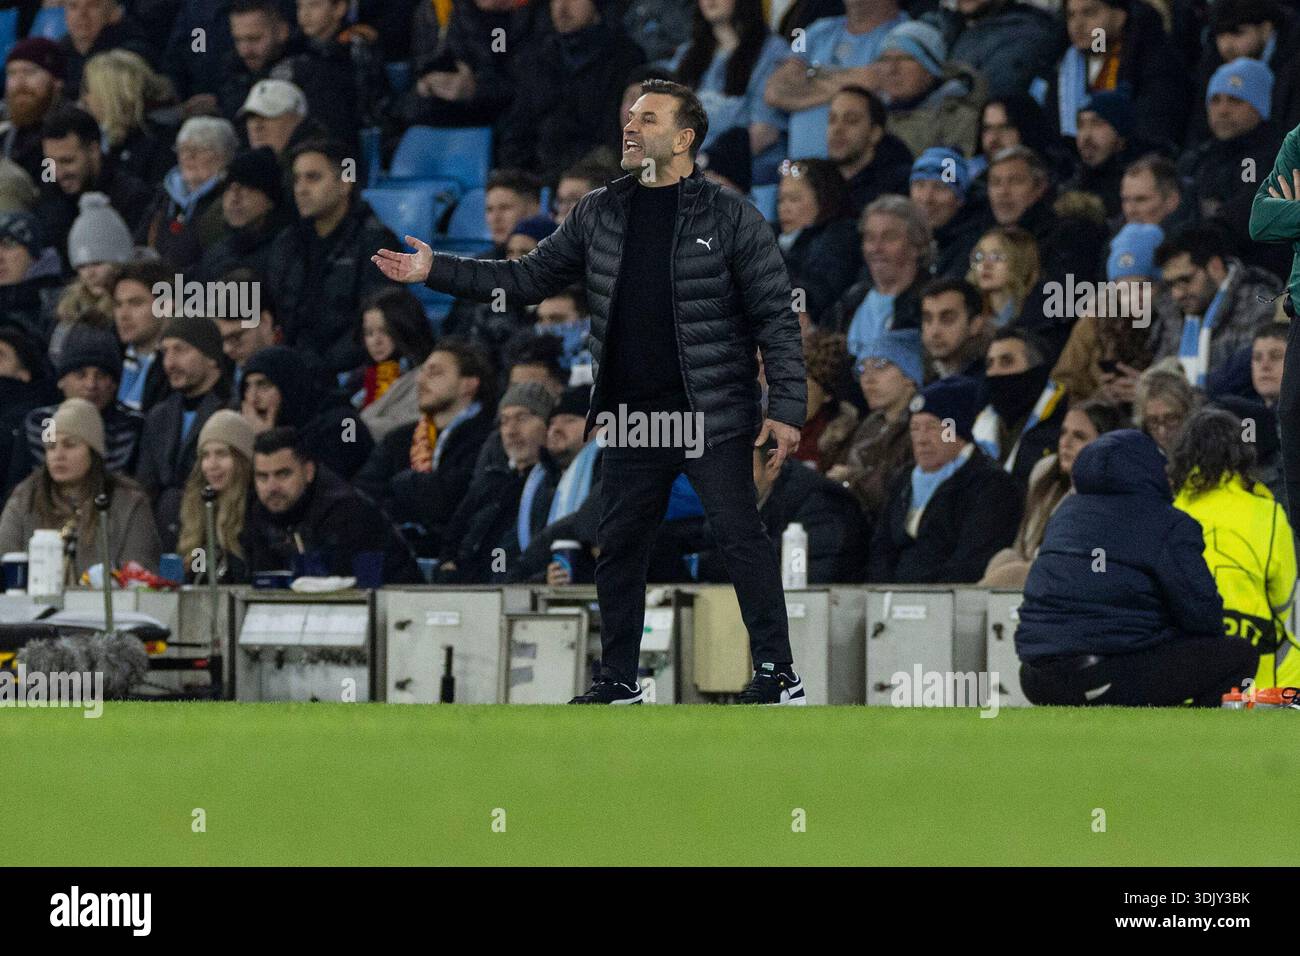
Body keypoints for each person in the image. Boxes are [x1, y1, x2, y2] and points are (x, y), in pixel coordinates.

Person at [373, 78, 808, 705]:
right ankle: (619, 680)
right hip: (633, 413)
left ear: (684, 138)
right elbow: (525, 278)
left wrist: (787, 408)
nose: (630, 127)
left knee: (739, 533)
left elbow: (775, 315)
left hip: (712, 408)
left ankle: (777, 674)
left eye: (648, 119)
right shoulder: (600, 210)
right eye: (629, 117)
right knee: (620, 542)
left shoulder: (732, 215)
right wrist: (434, 268)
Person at [1015, 429, 1256, 707]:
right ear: (1148, 471)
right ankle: (1190, 744)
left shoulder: (1064, 515)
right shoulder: (1168, 524)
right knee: (1239, 655)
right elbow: (1203, 616)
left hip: (1037, 678)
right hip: (1102, 676)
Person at [1170, 407, 1299, 689]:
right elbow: (1289, 609)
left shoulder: (1169, 514)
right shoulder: (1268, 514)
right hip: (1260, 682)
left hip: (1185, 678)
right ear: (1242, 456)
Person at [868, 375, 1022, 582]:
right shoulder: (903, 480)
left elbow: (971, 562)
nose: (921, 439)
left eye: (932, 427)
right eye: (915, 429)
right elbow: (882, 549)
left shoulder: (990, 485)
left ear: (954, 431)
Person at [267, 138, 401, 375]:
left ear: (345, 184)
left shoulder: (376, 242)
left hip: (348, 373)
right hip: (292, 370)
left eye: (313, 177)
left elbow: (375, 324)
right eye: (297, 179)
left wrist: (318, 367)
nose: (301, 188)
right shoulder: (287, 242)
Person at [354, 338, 496, 558]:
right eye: (422, 372)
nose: (421, 380)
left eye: (435, 373)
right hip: (400, 555)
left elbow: (450, 500)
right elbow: (363, 497)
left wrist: (401, 483)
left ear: (468, 384)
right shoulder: (399, 439)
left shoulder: (488, 439)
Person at [0, 397, 162, 580]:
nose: (58, 455)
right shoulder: (24, 499)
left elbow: (139, 576)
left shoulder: (129, 503)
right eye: (51, 447)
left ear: (94, 453)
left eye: (70, 445)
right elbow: (5, 562)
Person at [242, 426, 421, 584]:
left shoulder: (349, 512)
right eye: (262, 477)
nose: (272, 487)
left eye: (283, 474)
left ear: (308, 471)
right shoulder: (260, 512)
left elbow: (364, 589)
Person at [980, 398, 1126, 586]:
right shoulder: (1046, 477)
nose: (1065, 443)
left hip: (1082, 582)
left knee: (1016, 573)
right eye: (1063, 433)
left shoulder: (1112, 497)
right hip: (1040, 575)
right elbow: (1023, 547)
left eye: (1079, 436)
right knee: (1005, 558)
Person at [435, 382, 561, 582]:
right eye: (504, 421)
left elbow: (504, 560)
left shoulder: (554, 485)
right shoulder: (489, 482)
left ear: (549, 425)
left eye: (522, 418)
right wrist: (447, 567)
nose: (511, 431)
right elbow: (452, 538)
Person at [135, 315, 231, 551]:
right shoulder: (158, 416)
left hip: (215, 530)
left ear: (210, 356)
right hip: (164, 535)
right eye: (165, 352)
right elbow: (145, 486)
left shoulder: (232, 411)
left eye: (180, 350)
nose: (169, 363)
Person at [825, 328, 922, 523]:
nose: (868, 379)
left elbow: (905, 491)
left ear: (910, 375)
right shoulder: (869, 423)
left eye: (880, 365)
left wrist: (852, 479)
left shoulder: (924, 425)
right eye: (862, 369)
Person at [239, 345, 374, 481]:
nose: (252, 398)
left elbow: (326, 485)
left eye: (263, 385)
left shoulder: (344, 424)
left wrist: (268, 439)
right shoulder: (253, 430)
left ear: (288, 385)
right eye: (247, 387)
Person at [974, 328, 1069, 488]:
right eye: (990, 364)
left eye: (1007, 361)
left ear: (1036, 370)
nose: (994, 372)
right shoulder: (979, 425)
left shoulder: (1064, 423)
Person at [343, 288, 438, 443]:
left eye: (385, 331)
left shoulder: (427, 376)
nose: (376, 341)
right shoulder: (358, 380)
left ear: (405, 329)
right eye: (369, 333)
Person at [776, 157, 859, 326]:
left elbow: (814, 296)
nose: (784, 208)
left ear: (824, 199)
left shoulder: (840, 239)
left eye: (794, 199)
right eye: (781, 200)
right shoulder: (767, 236)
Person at [177, 409, 256, 584]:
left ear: (242, 459)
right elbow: (197, 576)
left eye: (222, 454)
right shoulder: (201, 508)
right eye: (205, 455)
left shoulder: (254, 510)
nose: (212, 465)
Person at [920, 277, 987, 381]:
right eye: (927, 319)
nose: (934, 331)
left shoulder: (990, 377)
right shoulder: (912, 377)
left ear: (975, 325)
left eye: (947, 319)